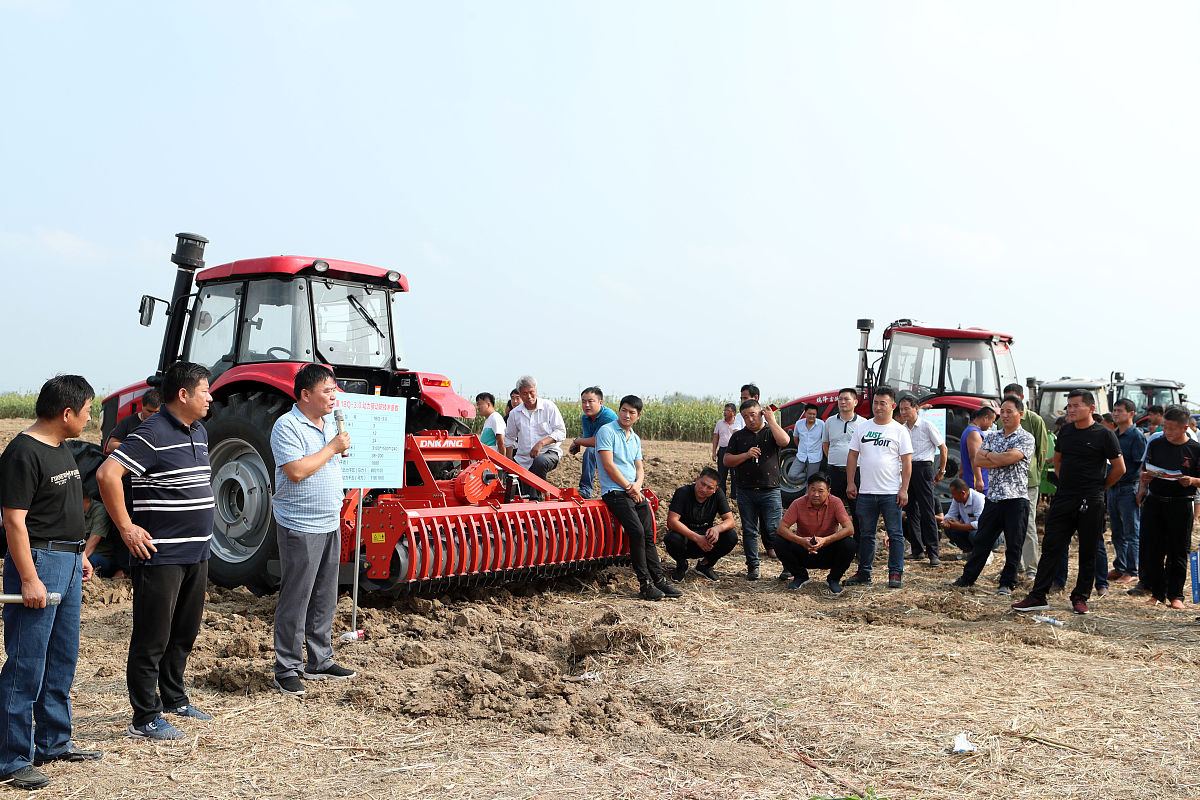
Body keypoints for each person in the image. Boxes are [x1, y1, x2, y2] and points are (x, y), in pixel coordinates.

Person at [97, 362, 217, 740]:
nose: (210, 397)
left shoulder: (199, 430)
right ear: (183, 394)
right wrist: (126, 527)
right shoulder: (152, 432)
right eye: (205, 390)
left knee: (184, 632)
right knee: (152, 638)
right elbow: (107, 474)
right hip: (160, 554)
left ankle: (174, 698)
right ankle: (144, 717)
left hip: (196, 551)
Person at [0, 376, 102, 790]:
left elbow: (61, 510)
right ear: (66, 413)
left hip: (68, 560)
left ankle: (53, 742)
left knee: (62, 657)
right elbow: (14, 521)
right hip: (39, 562)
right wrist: (29, 577)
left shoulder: (61, 449)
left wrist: (79, 554)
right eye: (87, 411)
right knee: (26, 662)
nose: (89, 418)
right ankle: (10, 758)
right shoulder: (23, 453)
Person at [269, 364, 357, 697]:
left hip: (329, 520)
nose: (334, 397)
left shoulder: (329, 425)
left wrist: (335, 446)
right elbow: (295, 471)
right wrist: (332, 448)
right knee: (297, 597)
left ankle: (320, 660)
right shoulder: (287, 426)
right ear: (305, 395)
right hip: (300, 525)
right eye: (327, 391)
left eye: (335, 390)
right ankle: (287, 668)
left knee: (324, 596)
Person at [1013, 390, 1124, 615]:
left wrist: (1099, 488)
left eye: (1076, 406)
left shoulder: (1104, 435)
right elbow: (1058, 460)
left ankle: (1080, 597)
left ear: (1091, 408)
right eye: (1069, 406)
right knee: (1052, 546)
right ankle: (1038, 595)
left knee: (1088, 550)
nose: (1071, 410)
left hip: (1091, 500)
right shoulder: (1066, 431)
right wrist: (1065, 483)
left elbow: (1119, 468)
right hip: (1064, 497)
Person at [948, 395, 1035, 594]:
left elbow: (1008, 458)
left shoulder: (1025, 438)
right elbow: (978, 460)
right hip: (994, 498)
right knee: (981, 541)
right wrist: (999, 458)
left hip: (1016, 499)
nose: (1004, 415)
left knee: (1014, 544)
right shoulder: (993, 436)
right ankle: (967, 579)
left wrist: (992, 457)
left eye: (1009, 411)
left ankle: (1007, 583)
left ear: (1020, 414)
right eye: (1001, 411)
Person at [597, 396, 680, 601]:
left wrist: (637, 485)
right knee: (637, 531)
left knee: (649, 534)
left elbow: (639, 467)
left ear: (638, 416)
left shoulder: (634, 438)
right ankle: (645, 584)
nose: (627, 415)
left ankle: (659, 579)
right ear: (619, 411)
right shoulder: (606, 431)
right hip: (615, 492)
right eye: (624, 410)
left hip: (634, 490)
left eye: (631, 412)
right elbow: (608, 465)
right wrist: (628, 486)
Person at [845, 387, 913, 588]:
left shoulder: (899, 430)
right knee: (866, 534)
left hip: (891, 492)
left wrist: (904, 489)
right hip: (866, 492)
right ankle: (864, 572)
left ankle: (895, 573)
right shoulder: (863, 428)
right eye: (875, 402)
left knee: (895, 534)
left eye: (883, 403)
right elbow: (852, 455)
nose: (878, 407)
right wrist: (851, 482)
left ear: (892, 406)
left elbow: (907, 462)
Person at [1137, 405, 1200, 609]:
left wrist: (1192, 481)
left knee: (1178, 552)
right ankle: (1157, 593)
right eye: (1164, 427)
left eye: (1171, 428)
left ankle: (1176, 595)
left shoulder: (1195, 449)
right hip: (1155, 502)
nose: (1166, 431)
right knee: (1153, 550)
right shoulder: (1156, 443)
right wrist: (1144, 481)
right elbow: (1145, 469)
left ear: (1185, 428)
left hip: (1181, 504)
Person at [724, 399, 791, 581]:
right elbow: (727, 460)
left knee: (775, 529)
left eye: (753, 415)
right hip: (745, 490)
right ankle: (753, 567)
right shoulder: (738, 437)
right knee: (749, 530)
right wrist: (746, 455)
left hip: (770, 489)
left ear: (761, 413)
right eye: (746, 417)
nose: (750, 419)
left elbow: (785, 441)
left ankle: (788, 566)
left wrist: (772, 420)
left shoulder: (771, 432)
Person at [773, 473, 856, 595]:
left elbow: (849, 529)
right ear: (807, 489)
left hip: (828, 549)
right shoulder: (798, 503)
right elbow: (781, 528)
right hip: (805, 548)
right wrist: (801, 540)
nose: (816, 494)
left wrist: (825, 540)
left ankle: (833, 579)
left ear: (828, 491)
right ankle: (800, 576)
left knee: (849, 544)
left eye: (820, 491)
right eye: (813, 490)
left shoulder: (836, 502)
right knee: (778, 540)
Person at [1003, 383, 1049, 583]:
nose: (1008, 407)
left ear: (1021, 399)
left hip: (1028, 481)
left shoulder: (1035, 420)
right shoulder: (1001, 420)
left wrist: (1034, 473)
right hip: (1007, 481)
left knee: (1027, 523)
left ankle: (1031, 568)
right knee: (1008, 523)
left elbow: (1042, 450)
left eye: (1013, 399)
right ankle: (1015, 565)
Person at [897, 394, 947, 565]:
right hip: (907, 469)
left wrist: (941, 471)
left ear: (916, 408)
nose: (904, 412)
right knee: (910, 510)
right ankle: (917, 549)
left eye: (907, 408)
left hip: (923, 468)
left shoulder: (927, 425)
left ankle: (933, 552)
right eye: (901, 409)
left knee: (927, 510)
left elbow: (943, 448)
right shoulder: (901, 429)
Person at [664, 468, 737, 582]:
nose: (704, 489)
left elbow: (730, 521)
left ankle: (705, 565)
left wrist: (717, 529)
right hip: (685, 538)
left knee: (731, 536)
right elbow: (672, 522)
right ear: (697, 479)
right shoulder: (683, 492)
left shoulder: (718, 494)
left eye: (710, 488)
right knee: (671, 538)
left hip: (707, 541)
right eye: (702, 484)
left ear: (715, 489)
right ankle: (681, 565)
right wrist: (697, 538)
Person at [1106, 398, 1146, 585]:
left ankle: (1132, 570)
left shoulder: (1136, 436)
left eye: (1119, 411)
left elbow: (1141, 466)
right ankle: (1120, 566)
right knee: (1116, 531)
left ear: (1131, 414)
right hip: (1113, 488)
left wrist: (1141, 490)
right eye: (1114, 410)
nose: (1115, 414)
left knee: (1131, 531)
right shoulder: (1113, 435)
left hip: (1129, 488)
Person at [822, 388, 867, 542]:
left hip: (857, 472)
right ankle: (831, 543)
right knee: (831, 509)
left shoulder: (863, 423)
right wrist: (834, 459)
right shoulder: (829, 421)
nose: (842, 402)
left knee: (858, 510)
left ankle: (859, 545)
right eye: (840, 399)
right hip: (834, 471)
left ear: (855, 402)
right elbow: (826, 444)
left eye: (846, 399)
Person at [505, 375, 567, 484]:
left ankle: (538, 493)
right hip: (523, 459)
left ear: (536, 390)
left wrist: (541, 443)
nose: (529, 396)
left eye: (531, 392)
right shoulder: (515, 414)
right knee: (517, 487)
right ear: (520, 394)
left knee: (539, 462)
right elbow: (509, 438)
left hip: (548, 453)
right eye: (525, 393)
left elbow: (561, 432)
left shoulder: (548, 407)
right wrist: (510, 463)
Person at [569, 387, 617, 499]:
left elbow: (597, 441)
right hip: (603, 450)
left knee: (590, 452)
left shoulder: (608, 416)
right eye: (583, 402)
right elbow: (588, 440)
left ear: (600, 402)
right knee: (590, 451)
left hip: (616, 451)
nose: (586, 405)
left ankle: (586, 490)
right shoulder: (586, 417)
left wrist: (577, 441)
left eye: (590, 401)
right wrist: (580, 442)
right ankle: (585, 491)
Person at [103, 389, 161, 455]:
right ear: (142, 406)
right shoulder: (127, 422)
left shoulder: (164, 424)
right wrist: (134, 448)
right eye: (149, 411)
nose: (153, 415)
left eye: (156, 412)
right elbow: (110, 446)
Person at [937, 478, 986, 556]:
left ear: (963, 493)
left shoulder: (978, 499)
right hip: (970, 529)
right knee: (950, 529)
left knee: (974, 534)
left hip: (986, 532)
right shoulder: (957, 499)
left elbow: (980, 524)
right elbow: (951, 514)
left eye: (954, 494)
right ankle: (969, 551)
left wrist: (959, 526)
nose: (952, 496)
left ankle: (984, 552)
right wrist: (946, 521)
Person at [787, 404, 825, 492]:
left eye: (814, 414)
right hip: (801, 455)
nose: (812, 416)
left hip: (815, 457)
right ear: (805, 413)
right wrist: (800, 448)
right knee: (792, 475)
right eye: (809, 414)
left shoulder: (821, 424)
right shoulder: (799, 424)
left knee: (811, 484)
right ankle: (809, 476)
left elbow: (824, 440)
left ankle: (807, 499)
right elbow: (795, 438)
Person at [711, 403, 744, 498]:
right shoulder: (719, 423)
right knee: (721, 475)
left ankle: (734, 496)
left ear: (733, 413)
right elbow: (716, 437)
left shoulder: (738, 423)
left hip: (735, 452)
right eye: (724, 410)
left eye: (727, 410)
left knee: (735, 475)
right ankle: (721, 496)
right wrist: (714, 452)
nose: (725, 412)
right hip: (722, 451)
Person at [961, 406, 997, 494]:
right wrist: (979, 480)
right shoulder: (974, 434)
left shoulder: (968, 430)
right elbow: (974, 457)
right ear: (985, 418)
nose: (991, 425)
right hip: (975, 481)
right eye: (992, 422)